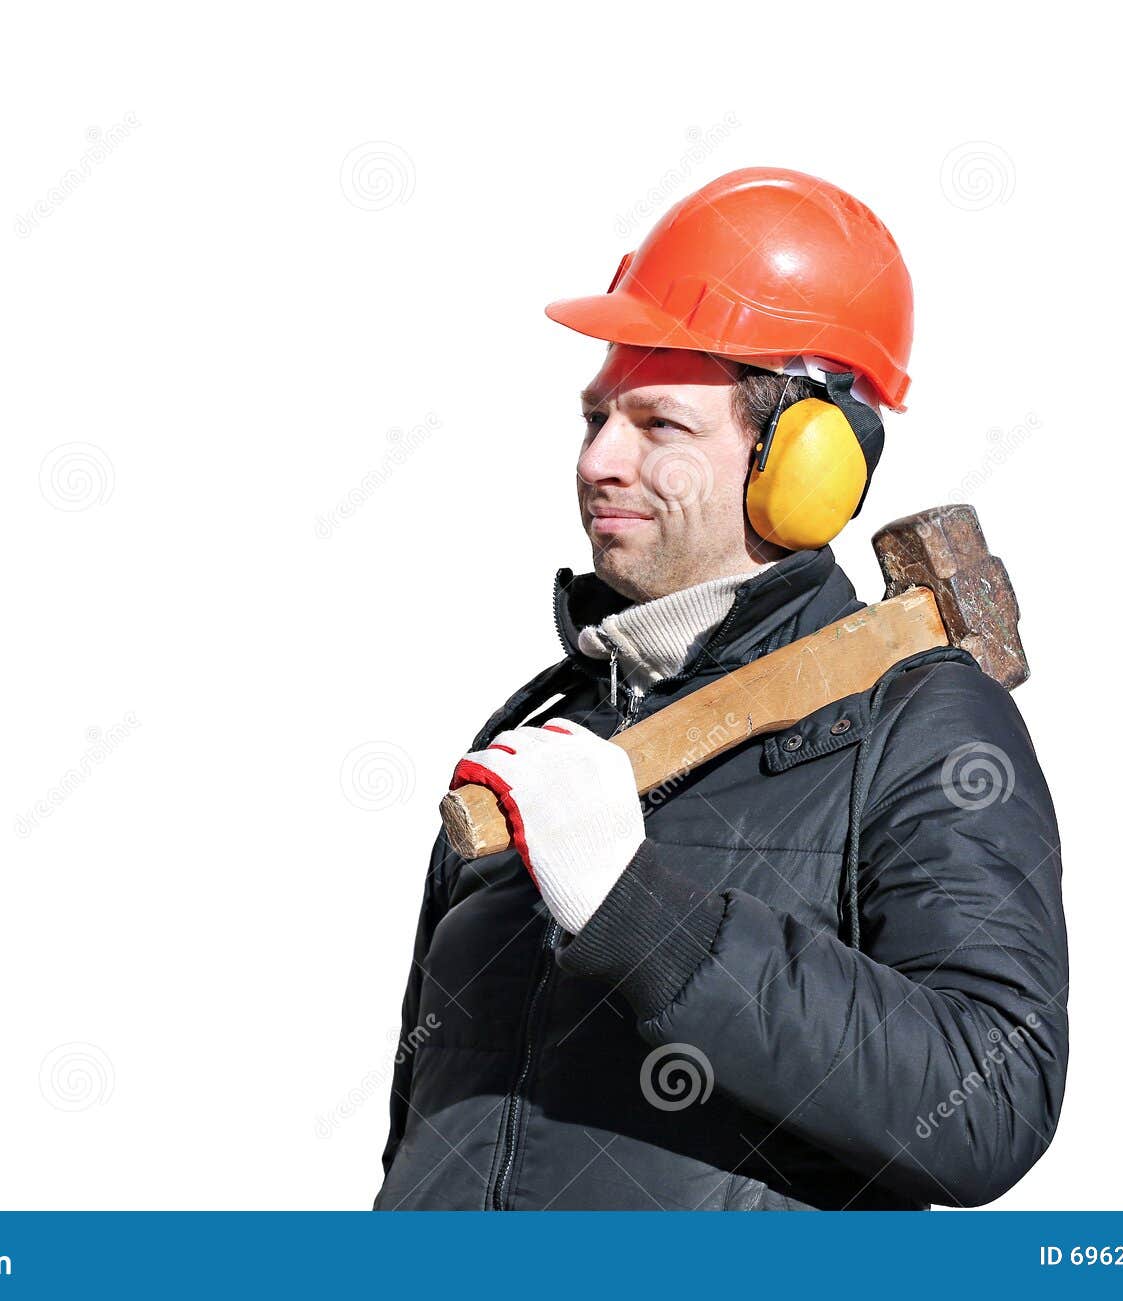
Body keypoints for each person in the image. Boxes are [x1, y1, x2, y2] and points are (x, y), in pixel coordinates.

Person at [374, 168, 1068, 1211]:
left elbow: (987, 1100)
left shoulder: (916, 725)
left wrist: (643, 914)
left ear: (804, 462)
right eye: (596, 416)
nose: (600, 458)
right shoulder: (543, 736)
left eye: (659, 425)